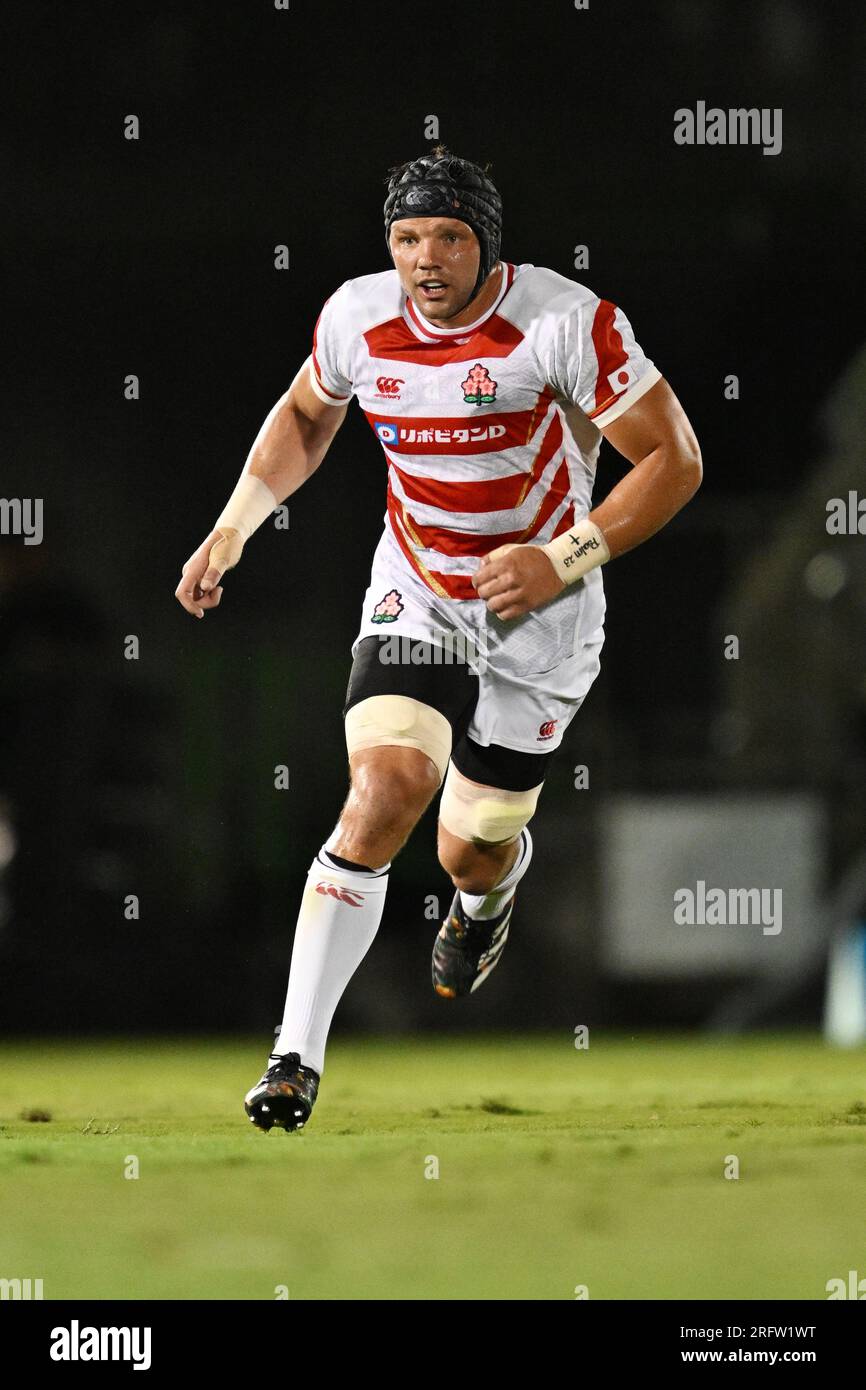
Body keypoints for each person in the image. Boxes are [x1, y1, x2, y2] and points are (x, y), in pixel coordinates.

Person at [175, 145, 702, 1132]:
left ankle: (487, 900)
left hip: (544, 611)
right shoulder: (355, 317)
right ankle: (294, 1056)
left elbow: (674, 459)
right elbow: (305, 411)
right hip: (417, 595)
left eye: (448, 237)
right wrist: (233, 526)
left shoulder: (563, 321)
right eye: (407, 237)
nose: (426, 258)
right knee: (381, 795)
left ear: (486, 245)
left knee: (470, 846)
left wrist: (562, 555)